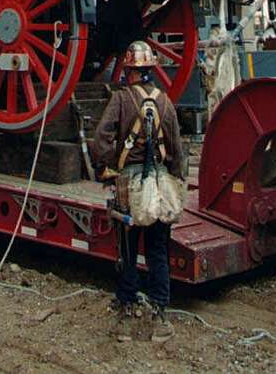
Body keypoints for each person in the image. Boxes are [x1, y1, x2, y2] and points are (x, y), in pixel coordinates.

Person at [91, 40, 187, 343]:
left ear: (129, 70)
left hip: (130, 185)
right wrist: (175, 177)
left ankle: (126, 304)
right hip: (159, 184)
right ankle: (159, 312)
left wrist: (105, 168)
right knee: (158, 250)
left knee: (128, 249)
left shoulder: (121, 99)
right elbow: (177, 150)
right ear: (150, 70)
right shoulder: (165, 101)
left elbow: (101, 138)